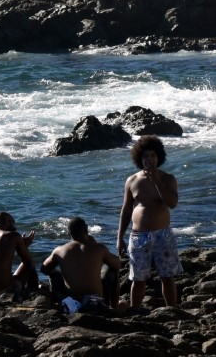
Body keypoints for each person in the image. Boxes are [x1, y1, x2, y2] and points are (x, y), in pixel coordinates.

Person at [116, 134, 181, 307]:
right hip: (138, 236)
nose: (149, 160)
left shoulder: (168, 179)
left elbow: (172, 203)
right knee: (138, 278)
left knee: (167, 277)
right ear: (139, 158)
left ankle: (172, 310)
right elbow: (126, 209)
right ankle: (135, 311)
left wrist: (157, 181)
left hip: (163, 234)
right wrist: (119, 238)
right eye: (145, 156)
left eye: (152, 156)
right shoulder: (132, 180)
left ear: (158, 157)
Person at [43, 216, 122, 314]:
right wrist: (96, 244)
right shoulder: (99, 248)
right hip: (94, 302)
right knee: (111, 269)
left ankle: (61, 301)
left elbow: (44, 269)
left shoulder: (59, 250)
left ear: (69, 234)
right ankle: (114, 308)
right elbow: (117, 265)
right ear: (86, 230)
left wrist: (59, 272)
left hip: (72, 301)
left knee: (54, 274)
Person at [0, 212, 38, 302]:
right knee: (31, 265)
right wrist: (25, 247)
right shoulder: (14, 236)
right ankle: (32, 294)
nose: (15, 226)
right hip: (7, 292)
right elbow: (28, 262)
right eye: (13, 222)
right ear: (7, 221)